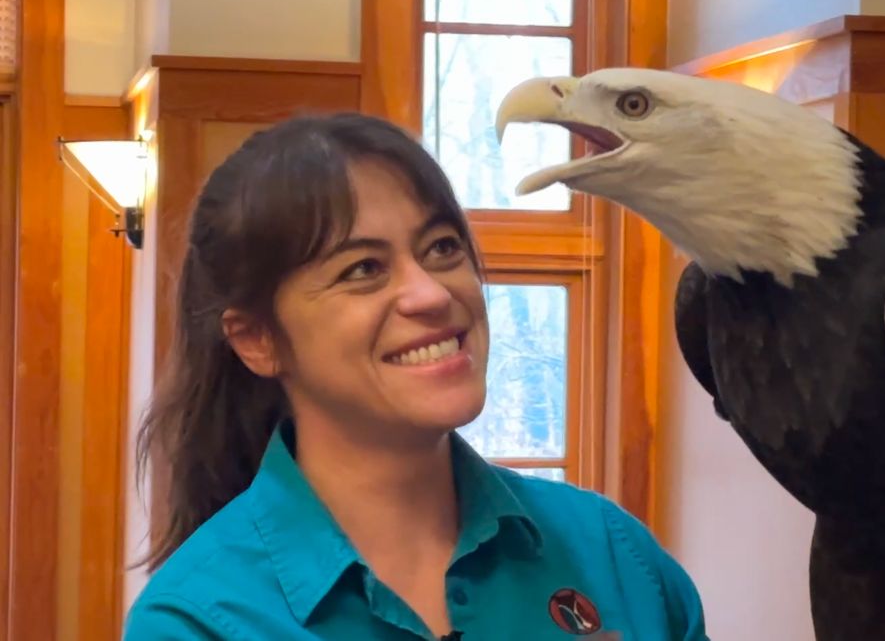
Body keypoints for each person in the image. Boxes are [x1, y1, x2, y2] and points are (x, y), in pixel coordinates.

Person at [123, 113, 708, 640]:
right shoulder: (198, 621)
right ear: (258, 340)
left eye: (442, 248)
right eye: (363, 269)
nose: (431, 293)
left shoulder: (611, 553)